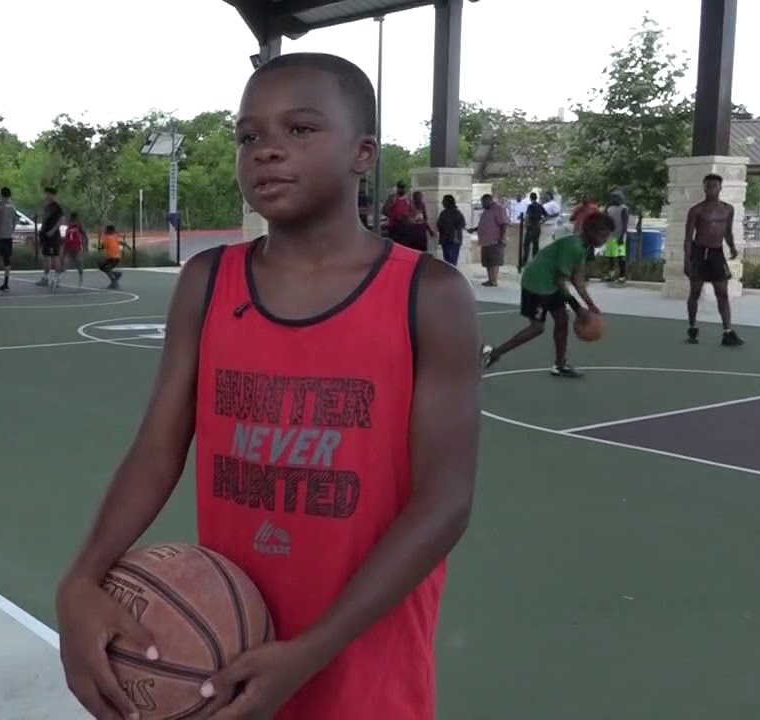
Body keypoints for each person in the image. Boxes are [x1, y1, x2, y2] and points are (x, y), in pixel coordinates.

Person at [55, 52, 480, 720]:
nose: (268, 151)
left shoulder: (428, 295)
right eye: (249, 136)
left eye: (301, 130)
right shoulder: (207, 283)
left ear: (361, 152)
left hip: (363, 667)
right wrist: (80, 580)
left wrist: (310, 651)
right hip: (223, 659)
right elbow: (157, 450)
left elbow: (444, 504)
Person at [480, 212, 613, 378]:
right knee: (537, 328)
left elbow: (577, 279)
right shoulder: (573, 246)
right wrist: (578, 309)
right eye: (604, 235)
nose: (606, 239)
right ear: (591, 232)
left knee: (562, 320)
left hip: (550, 283)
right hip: (537, 283)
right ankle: (493, 353)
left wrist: (590, 304)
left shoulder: (582, 247)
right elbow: (560, 281)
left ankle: (560, 365)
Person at [684, 174, 744, 347]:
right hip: (700, 252)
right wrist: (687, 260)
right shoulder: (696, 210)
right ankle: (692, 326)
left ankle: (728, 332)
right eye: (708, 186)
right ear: (704, 188)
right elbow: (688, 238)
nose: (711, 189)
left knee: (722, 292)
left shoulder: (728, 209)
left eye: (714, 186)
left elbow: (728, 232)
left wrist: (731, 247)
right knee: (695, 291)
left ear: (720, 188)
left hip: (717, 254)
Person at [468, 193, 508, 286]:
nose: (482, 205)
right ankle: (490, 279)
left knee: (494, 261)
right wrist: (474, 229)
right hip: (486, 241)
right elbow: (485, 224)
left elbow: (504, 224)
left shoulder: (499, 209)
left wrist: (502, 238)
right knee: (488, 262)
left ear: (489, 200)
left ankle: (494, 280)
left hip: (495, 240)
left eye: (483, 203)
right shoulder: (486, 211)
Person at [37, 187, 64, 287]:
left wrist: (52, 231)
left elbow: (61, 220)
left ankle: (57, 278)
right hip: (45, 235)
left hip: (53, 236)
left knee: (54, 257)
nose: (46, 196)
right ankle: (45, 278)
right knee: (46, 257)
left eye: (48, 194)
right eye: (46, 194)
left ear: (52, 195)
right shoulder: (46, 206)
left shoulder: (56, 207)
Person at [603, 192, 630, 284]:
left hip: (620, 235)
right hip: (610, 235)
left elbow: (625, 224)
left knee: (620, 256)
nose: (614, 199)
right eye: (613, 198)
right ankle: (611, 274)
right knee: (610, 256)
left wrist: (622, 236)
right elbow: (605, 220)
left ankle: (622, 275)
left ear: (621, 199)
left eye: (616, 198)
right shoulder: (609, 209)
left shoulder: (624, 209)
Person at [435, 194, 466, 266]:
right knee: (450, 262)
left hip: (452, 240)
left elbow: (461, 226)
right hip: (449, 240)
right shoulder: (447, 213)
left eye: (444, 201)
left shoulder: (449, 213)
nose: (442, 203)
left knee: (449, 261)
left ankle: (451, 276)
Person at [521, 192, 548, 269]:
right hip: (537, 226)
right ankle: (535, 262)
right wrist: (541, 221)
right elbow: (546, 215)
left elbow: (528, 216)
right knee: (535, 245)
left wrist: (526, 224)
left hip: (531, 226)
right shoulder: (540, 206)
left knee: (526, 245)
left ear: (530, 198)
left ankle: (524, 262)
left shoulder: (530, 206)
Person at [60, 211, 87, 287]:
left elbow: (84, 235)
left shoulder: (77, 226)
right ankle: (58, 278)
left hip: (75, 246)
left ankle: (80, 278)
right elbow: (67, 238)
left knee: (77, 262)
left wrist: (85, 246)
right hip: (70, 247)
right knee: (68, 263)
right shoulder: (70, 227)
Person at [97, 224, 123, 289]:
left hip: (112, 257)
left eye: (107, 230)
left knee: (105, 268)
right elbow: (121, 242)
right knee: (104, 267)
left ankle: (114, 281)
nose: (105, 231)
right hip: (117, 257)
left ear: (109, 230)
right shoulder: (114, 236)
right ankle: (115, 275)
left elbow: (102, 246)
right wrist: (127, 246)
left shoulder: (107, 237)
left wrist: (98, 248)